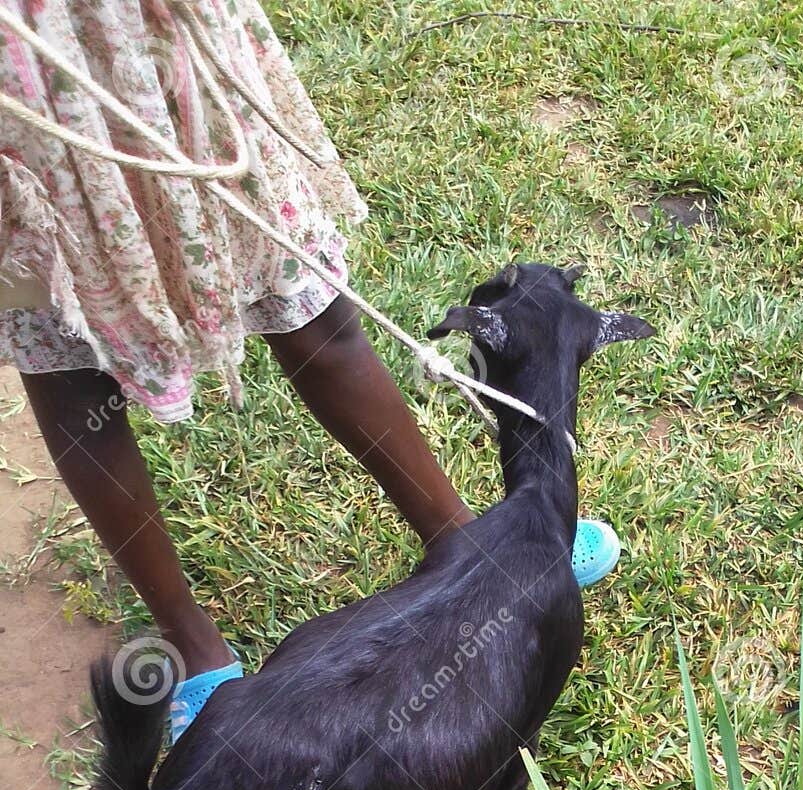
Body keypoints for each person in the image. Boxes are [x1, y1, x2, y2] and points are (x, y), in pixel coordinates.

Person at [0, 0, 620, 740]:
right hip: (24, 84)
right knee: (66, 350)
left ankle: (468, 545)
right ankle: (195, 649)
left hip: (139, 35)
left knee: (308, 305)